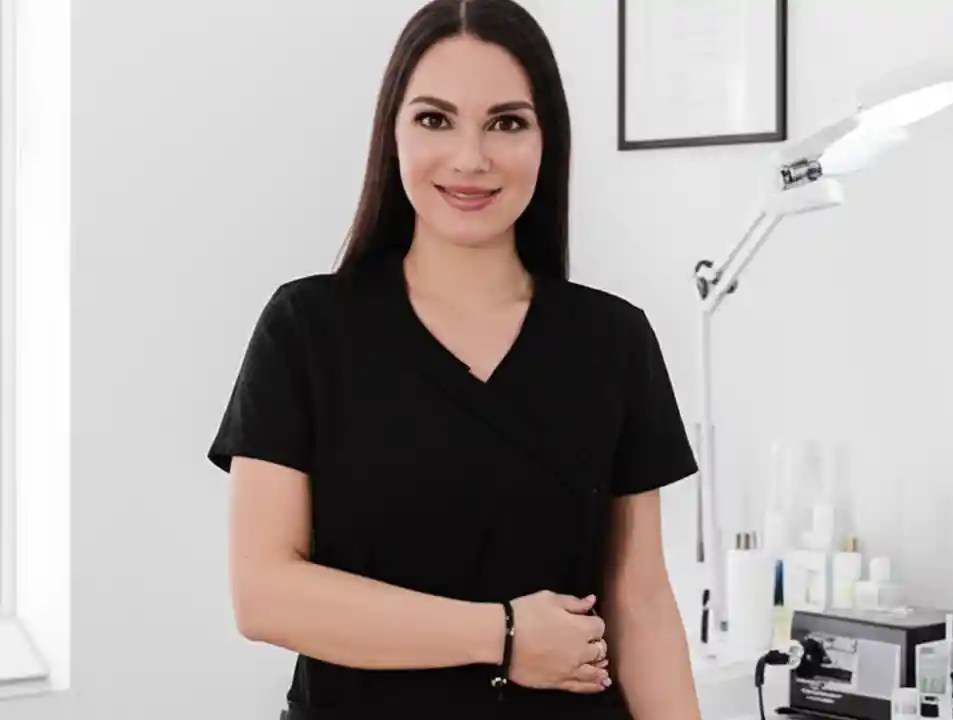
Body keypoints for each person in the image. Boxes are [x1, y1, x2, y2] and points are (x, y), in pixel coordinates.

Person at [206, 1, 702, 717]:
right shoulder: (307, 329)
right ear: (393, 133)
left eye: (507, 123)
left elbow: (642, 604)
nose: (471, 158)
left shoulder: (614, 340)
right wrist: (503, 635)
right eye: (435, 119)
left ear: (547, 140)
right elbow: (265, 595)